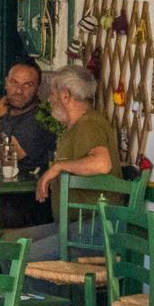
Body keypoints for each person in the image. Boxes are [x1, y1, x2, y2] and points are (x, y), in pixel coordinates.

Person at [35, 63, 123, 203]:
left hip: (92, 223)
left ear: (65, 96)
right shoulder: (78, 125)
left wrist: (58, 167)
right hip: (80, 221)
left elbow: (102, 164)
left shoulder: (88, 125)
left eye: (52, 93)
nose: (50, 100)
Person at [0, 58, 57, 177]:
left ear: (37, 88)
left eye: (28, 85)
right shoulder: (3, 111)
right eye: (14, 82)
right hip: (1, 190)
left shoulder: (40, 117)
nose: (19, 90)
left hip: (26, 193)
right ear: (6, 83)